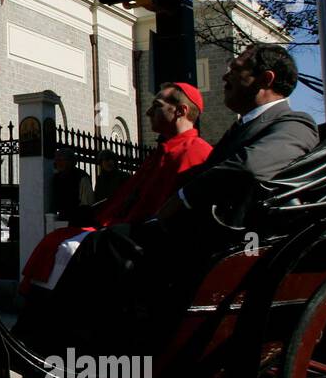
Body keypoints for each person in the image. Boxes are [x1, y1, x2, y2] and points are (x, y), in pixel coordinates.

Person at [49, 43, 319, 334]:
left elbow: (249, 168)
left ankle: (66, 343)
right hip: (206, 234)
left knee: (109, 246)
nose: (225, 74)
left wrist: (183, 197)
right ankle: (59, 341)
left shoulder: (295, 124)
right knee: (102, 244)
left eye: (236, 67)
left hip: (238, 240)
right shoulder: (239, 128)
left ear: (265, 79)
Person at [22, 82, 211, 290]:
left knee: (69, 249)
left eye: (156, 106)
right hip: (126, 231)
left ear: (180, 111)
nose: (148, 112)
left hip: (146, 243)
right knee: (55, 242)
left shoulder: (196, 153)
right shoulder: (160, 153)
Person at [51, 149, 93, 225]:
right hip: (62, 219)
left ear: (70, 162)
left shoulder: (81, 177)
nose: (58, 163)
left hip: (78, 220)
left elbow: (87, 202)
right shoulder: (56, 177)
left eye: (62, 160)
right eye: (57, 160)